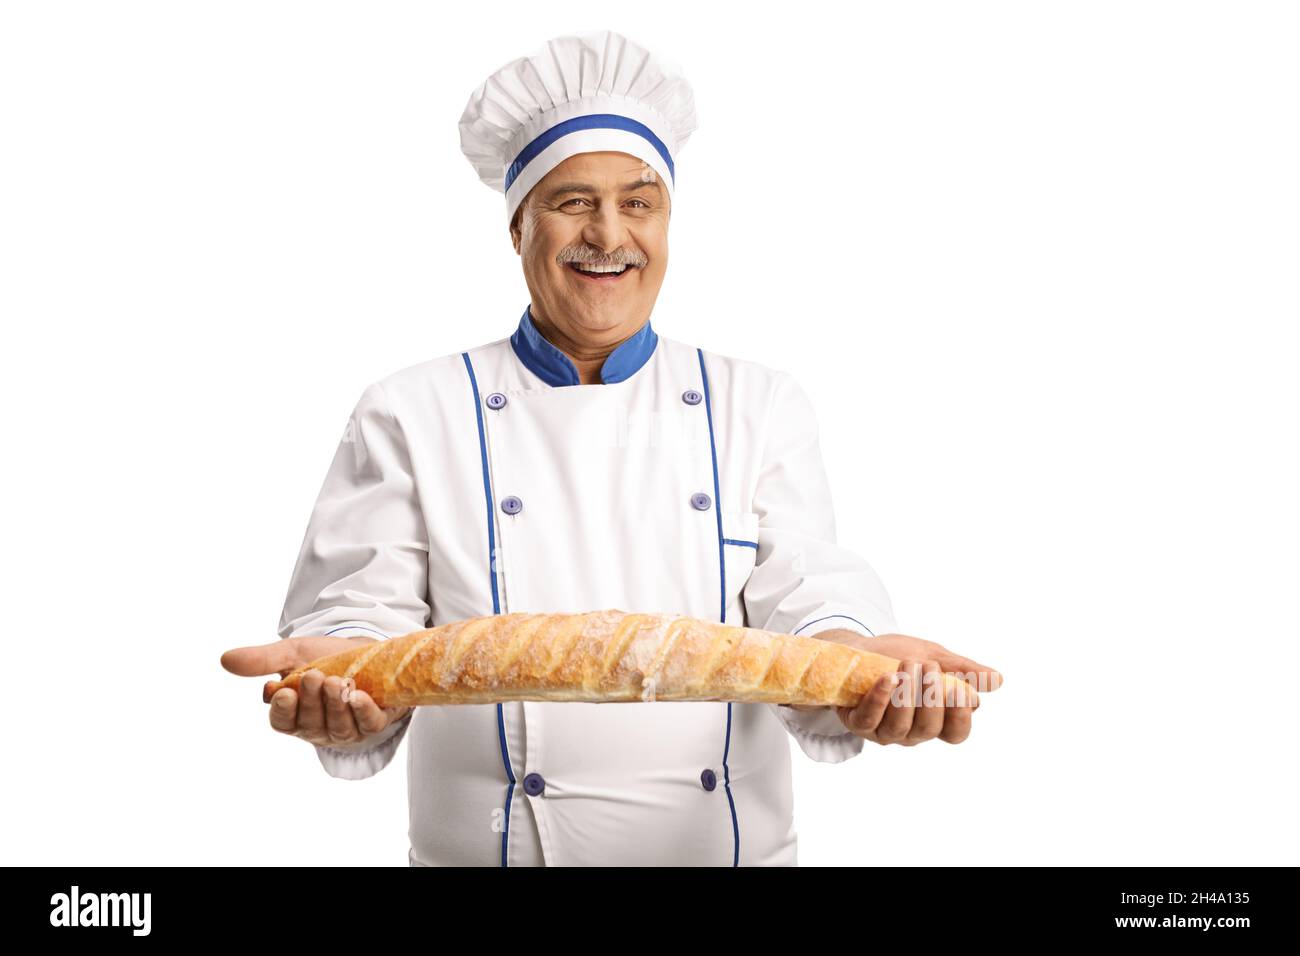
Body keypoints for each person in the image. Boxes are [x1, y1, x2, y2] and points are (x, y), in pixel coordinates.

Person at [221, 30, 1001, 867]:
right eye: (571, 202)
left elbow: (804, 601)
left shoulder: (758, 402)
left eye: (639, 202)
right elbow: (362, 623)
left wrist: (868, 664)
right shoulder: (411, 409)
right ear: (518, 225)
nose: (609, 234)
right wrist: (343, 676)